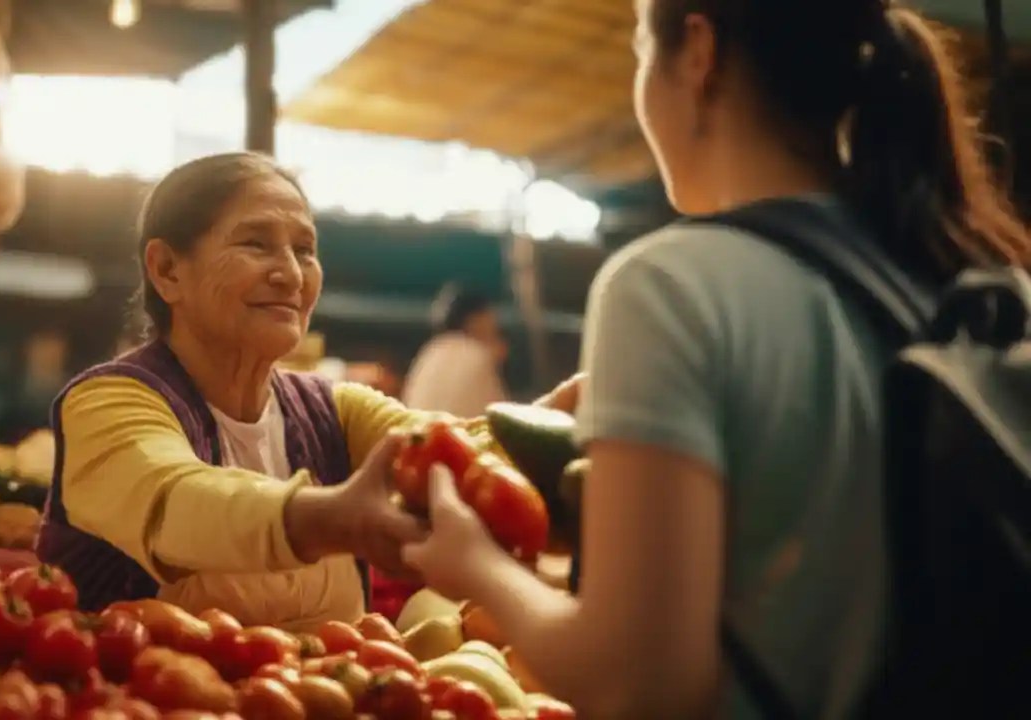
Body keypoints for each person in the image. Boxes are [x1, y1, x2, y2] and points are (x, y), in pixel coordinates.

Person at [404, 1, 1029, 718]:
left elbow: (640, 685)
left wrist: (473, 565)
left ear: (697, 50)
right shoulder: (972, 277)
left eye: (642, 51)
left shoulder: (670, 287)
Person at [34, 152, 576, 631]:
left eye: (305, 250)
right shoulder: (107, 403)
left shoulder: (331, 410)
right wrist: (329, 516)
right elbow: (179, 501)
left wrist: (556, 419)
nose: (291, 275)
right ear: (168, 270)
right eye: (255, 244)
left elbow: (455, 452)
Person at [401, 284, 509, 417]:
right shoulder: (477, 354)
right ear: (476, 320)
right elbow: (500, 420)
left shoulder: (430, 350)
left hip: (418, 434)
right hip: (456, 435)